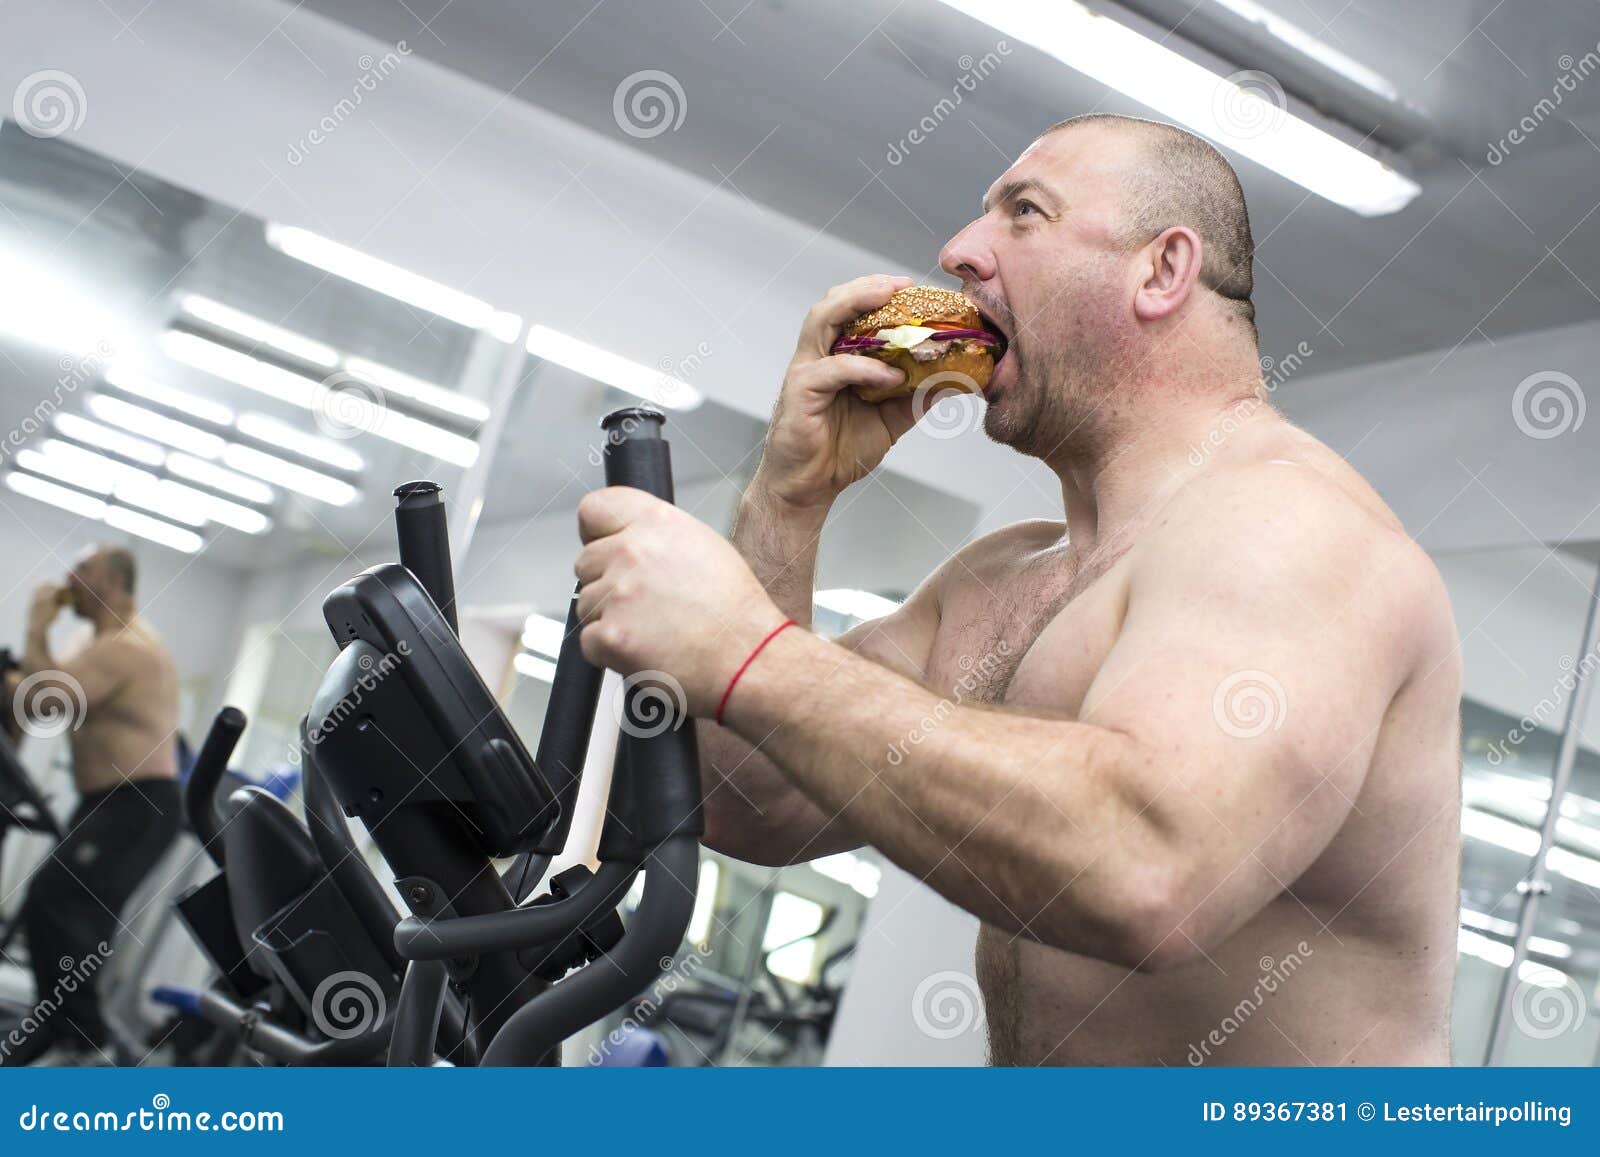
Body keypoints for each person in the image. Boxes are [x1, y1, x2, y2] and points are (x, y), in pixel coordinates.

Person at [570, 114, 1463, 1065]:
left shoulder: (1293, 525)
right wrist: (792, 502)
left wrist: (749, 653)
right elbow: (746, 804)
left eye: (1024, 213)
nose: (957, 252)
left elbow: (1149, 869)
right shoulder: (999, 582)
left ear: (1161, 271)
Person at [2, 544, 181, 1064]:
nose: (69, 578)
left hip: (137, 805)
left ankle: (88, 1041)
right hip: (106, 801)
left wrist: (37, 626)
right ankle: (61, 1029)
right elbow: (33, 693)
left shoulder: (128, 647)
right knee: (69, 913)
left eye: (81, 569)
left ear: (113, 583)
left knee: (58, 901)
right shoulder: (94, 640)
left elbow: (44, 700)